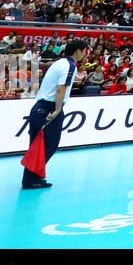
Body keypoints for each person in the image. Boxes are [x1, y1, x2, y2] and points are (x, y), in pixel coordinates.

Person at [20, 38, 90, 190]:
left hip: (42, 106)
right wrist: (58, 109)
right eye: (85, 50)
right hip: (50, 107)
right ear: (78, 50)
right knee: (49, 144)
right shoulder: (70, 66)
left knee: (39, 145)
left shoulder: (59, 62)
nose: (85, 54)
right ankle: (31, 179)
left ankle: (33, 178)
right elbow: (61, 88)